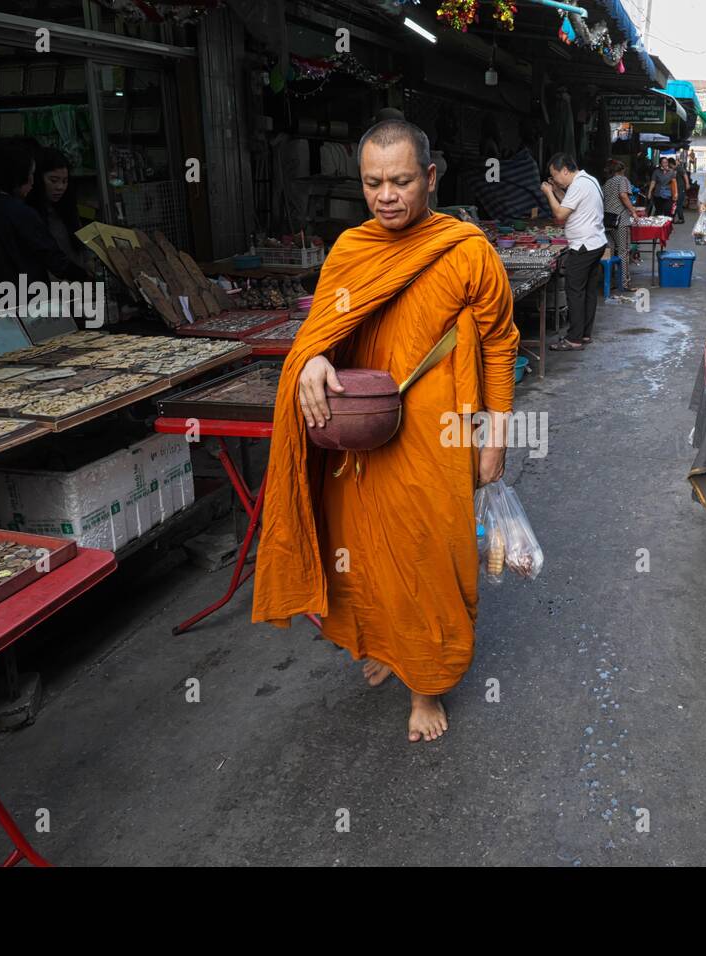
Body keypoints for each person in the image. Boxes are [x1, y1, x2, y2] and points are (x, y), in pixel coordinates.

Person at [252, 119, 519, 744]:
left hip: (438, 433)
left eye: (401, 180)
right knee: (363, 551)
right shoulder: (351, 250)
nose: (386, 195)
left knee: (430, 555)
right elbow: (319, 333)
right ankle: (380, 642)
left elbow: (502, 345)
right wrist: (314, 358)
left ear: (430, 177)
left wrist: (496, 435)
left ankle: (425, 683)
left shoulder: (465, 249)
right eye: (372, 183)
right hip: (359, 435)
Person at [0, 141, 86, 308]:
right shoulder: (21, 213)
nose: (32, 181)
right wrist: (86, 277)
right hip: (29, 305)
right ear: (16, 176)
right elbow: (54, 260)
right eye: (30, 174)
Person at [541, 153, 607, 350]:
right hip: (595, 242)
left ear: (565, 170)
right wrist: (556, 190)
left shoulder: (579, 185)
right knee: (587, 291)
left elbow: (560, 214)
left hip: (584, 245)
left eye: (555, 175)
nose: (555, 179)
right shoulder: (588, 180)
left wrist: (548, 193)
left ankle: (574, 338)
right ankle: (584, 334)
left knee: (575, 291)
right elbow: (570, 204)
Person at [27, 147, 87, 273]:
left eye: (65, 181)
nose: (60, 187)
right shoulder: (30, 214)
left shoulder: (68, 209)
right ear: (38, 179)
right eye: (53, 180)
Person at [602, 159, 640, 293]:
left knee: (611, 252)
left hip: (608, 221)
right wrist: (633, 211)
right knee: (623, 252)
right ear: (622, 170)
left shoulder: (607, 183)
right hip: (621, 221)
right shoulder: (622, 180)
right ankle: (624, 283)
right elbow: (623, 195)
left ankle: (610, 282)